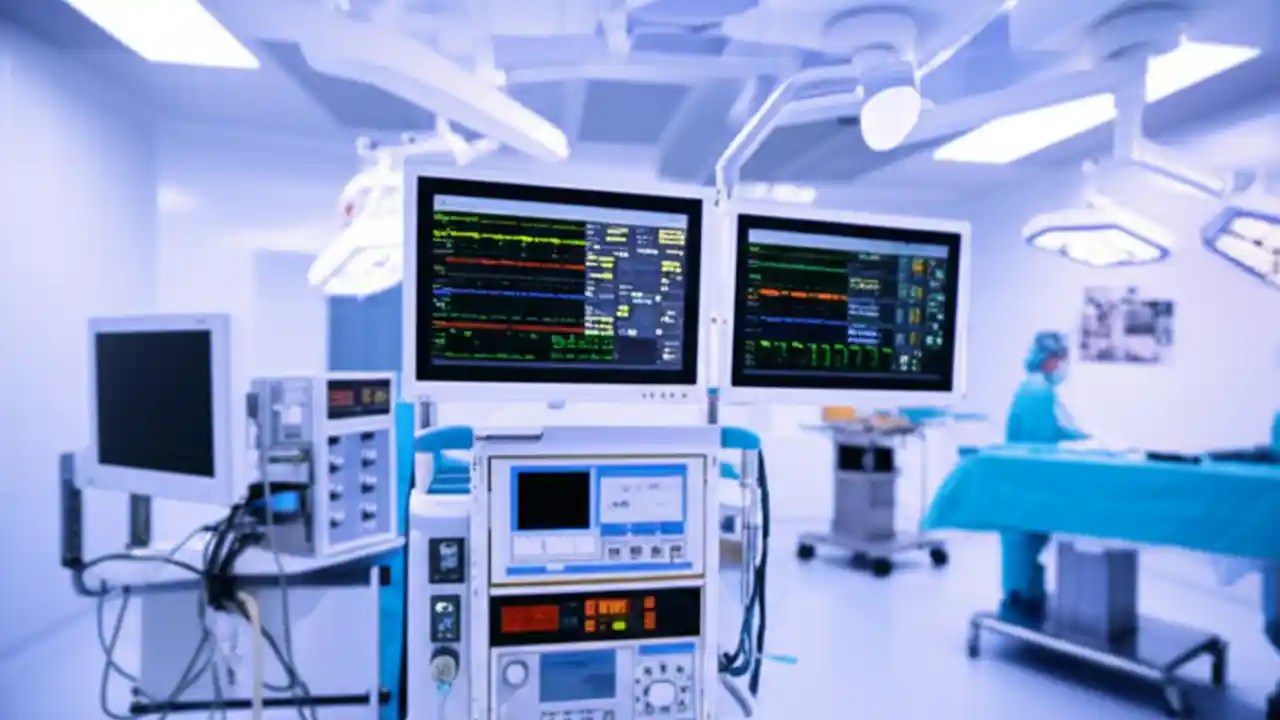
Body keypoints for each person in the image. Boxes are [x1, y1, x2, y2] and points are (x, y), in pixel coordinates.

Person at [1000, 331, 1089, 622]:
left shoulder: (1032, 388)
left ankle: (1023, 596)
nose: (1065, 366)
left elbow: (1051, 430)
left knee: (1024, 549)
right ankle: (1023, 603)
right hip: (1029, 484)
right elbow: (1042, 439)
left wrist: (1083, 436)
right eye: (1063, 359)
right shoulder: (1039, 391)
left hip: (1022, 482)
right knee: (1025, 546)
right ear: (1052, 360)